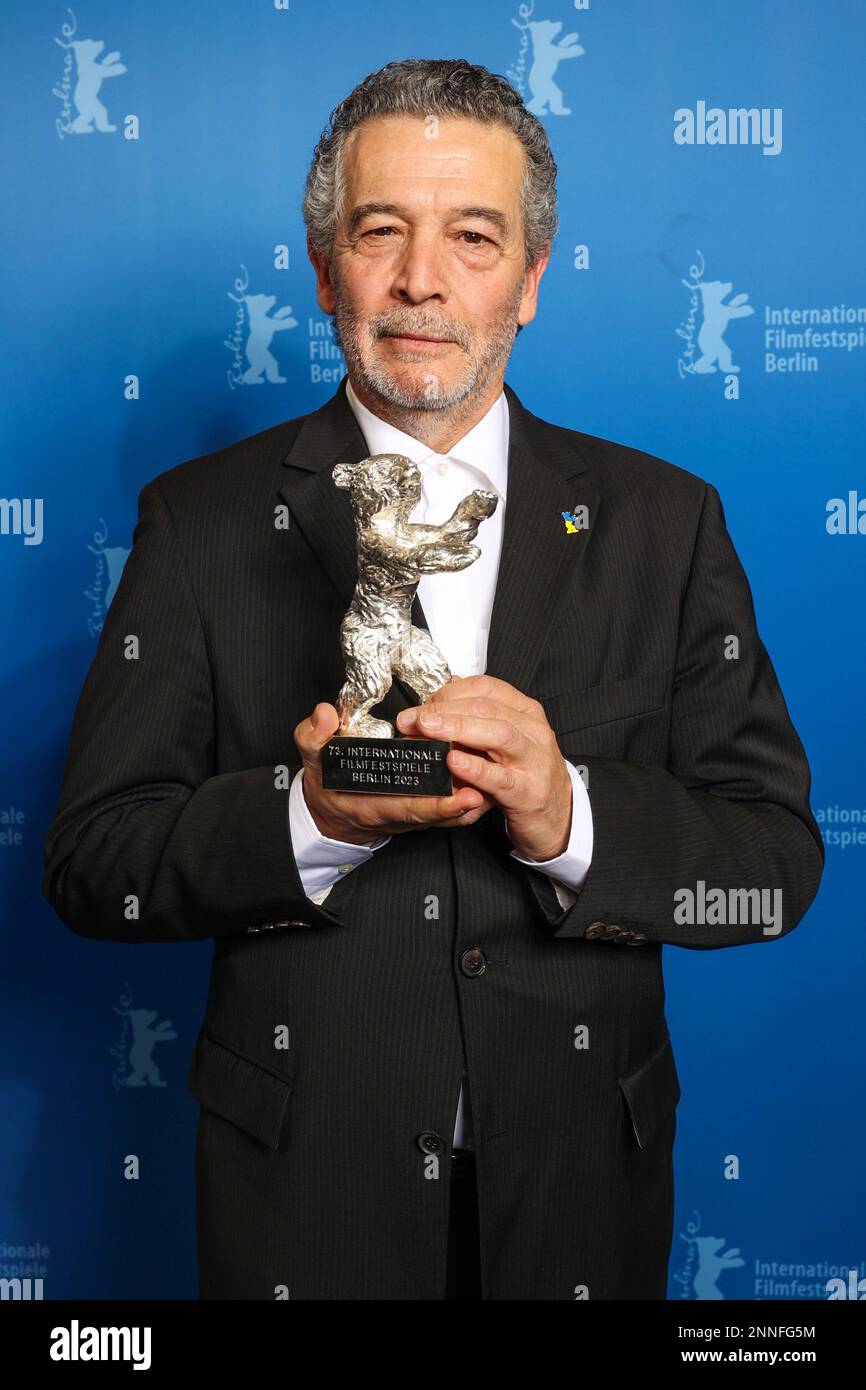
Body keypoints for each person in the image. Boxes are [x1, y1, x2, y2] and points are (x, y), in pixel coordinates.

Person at [43, 58, 823, 1300]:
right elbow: (91, 866)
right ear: (321, 268)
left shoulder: (664, 524)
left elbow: (771, 875)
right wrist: (311, 819)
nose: (420, 280)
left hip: (580, 1196)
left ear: (528, 280)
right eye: (378, 231)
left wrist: (570, 813)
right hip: (304, 1198)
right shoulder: (198, 523)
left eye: (471, 236)